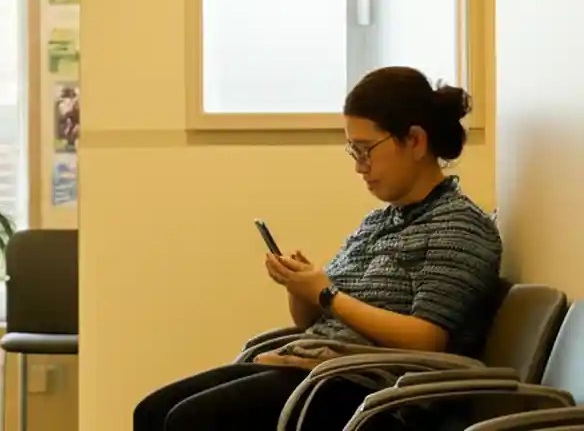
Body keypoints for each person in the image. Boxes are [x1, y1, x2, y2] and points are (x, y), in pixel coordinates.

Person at [133, 67, 503, 431]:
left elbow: (428, 339)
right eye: (353, 151)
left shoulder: (460, 227)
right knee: (152, 411)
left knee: (189, 421)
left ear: (416, 141)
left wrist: (326, 294)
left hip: (374, 391)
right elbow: (313, 321)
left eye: (366, 150)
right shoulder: (377, 223)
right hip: (322, 367)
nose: (360, 166)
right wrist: (304, 290)